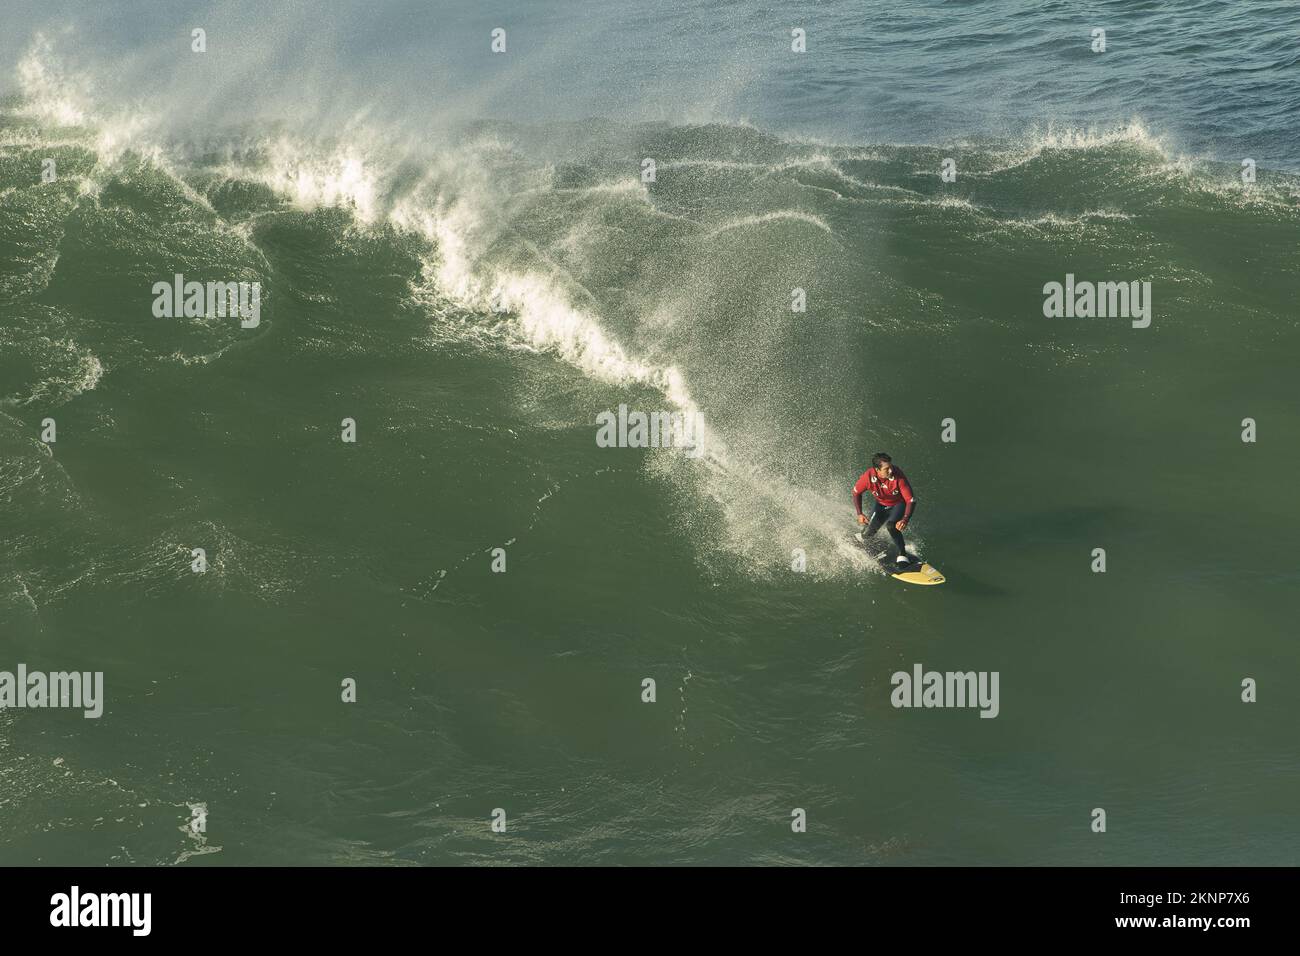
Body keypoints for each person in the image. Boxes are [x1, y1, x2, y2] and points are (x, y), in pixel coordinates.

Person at [852, 453, 917, 563]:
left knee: (891, 526)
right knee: (866, 535)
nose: (891, 470)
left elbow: (911, 500)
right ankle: (865, 538)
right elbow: (856, 493)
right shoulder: (868, 477)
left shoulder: (898, 476)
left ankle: (903, 554)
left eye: (891, 467)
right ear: (877, 470)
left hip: (898, 504)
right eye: (887, 469)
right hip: (881, 505)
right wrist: (860, 513)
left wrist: (905, 519)